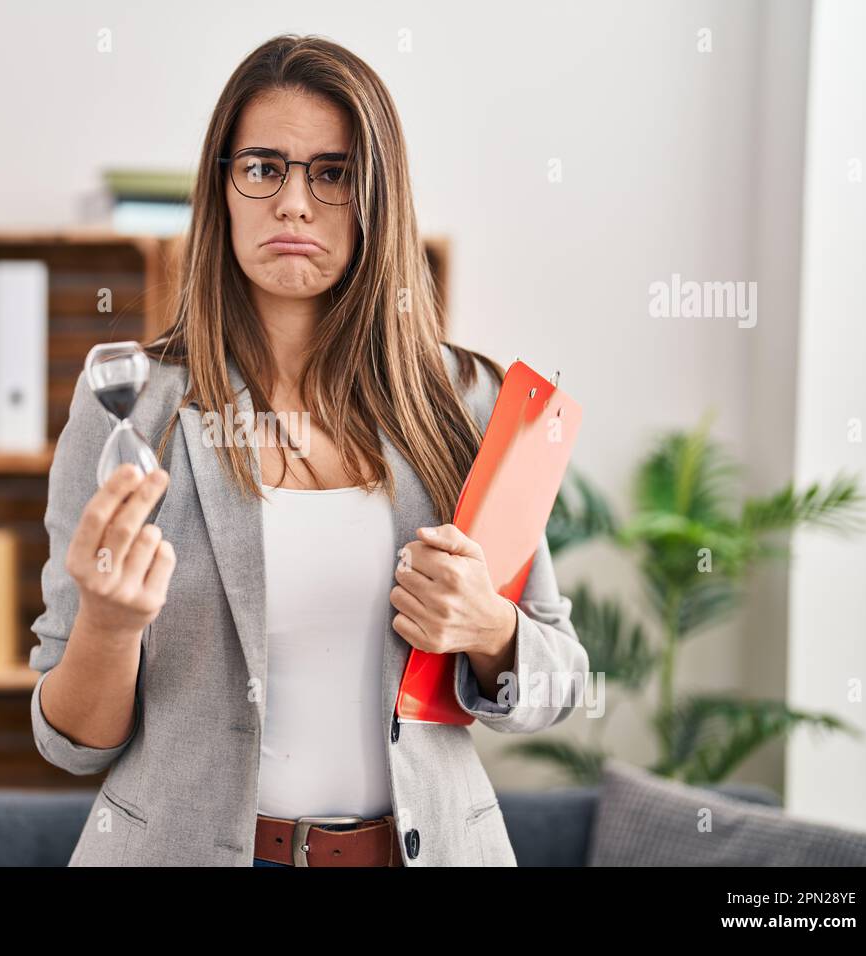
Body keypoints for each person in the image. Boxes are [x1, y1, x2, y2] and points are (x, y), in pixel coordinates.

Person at [30, 33, 589, 867]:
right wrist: (108, 628)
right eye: (263, 167)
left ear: (376, 198)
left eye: (332, 174)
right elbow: (71, 743)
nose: (294, 203)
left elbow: (559, 684)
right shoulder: (130, 406)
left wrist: (489, 628)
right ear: (223, 188)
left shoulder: (467, 402)